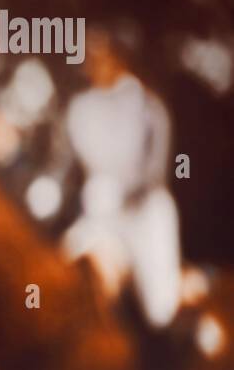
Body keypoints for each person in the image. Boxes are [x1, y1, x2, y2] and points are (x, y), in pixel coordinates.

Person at [61, 37, 181, 331]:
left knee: (159, 307)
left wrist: (127, 193)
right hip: (99, 216)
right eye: (90, 59)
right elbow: (66, 165)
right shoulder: (79, 109)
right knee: (64, 277)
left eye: (102, 58)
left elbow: (155, 168)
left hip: (143, 213)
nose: (94, 66)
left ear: (120, 60)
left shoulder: (148, 106)